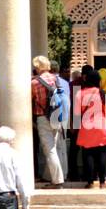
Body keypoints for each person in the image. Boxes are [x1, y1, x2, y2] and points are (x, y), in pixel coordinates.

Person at [30, 56, 65, 188]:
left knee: (49, 149)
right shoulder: (55, 79)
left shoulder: (34, 82)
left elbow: (31, 99)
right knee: (54, 148)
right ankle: (53, 177)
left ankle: (58, 180)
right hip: (56, 116)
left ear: (38, 67)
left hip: (43, 117)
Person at [76, 64, 106, 189]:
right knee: (102, 155)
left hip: (86, 128)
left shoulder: (79, 93)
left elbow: (76, 113)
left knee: (88, 155)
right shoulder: (102, 93)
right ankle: (102, 182)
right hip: (102, 127)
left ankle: (90, 182)